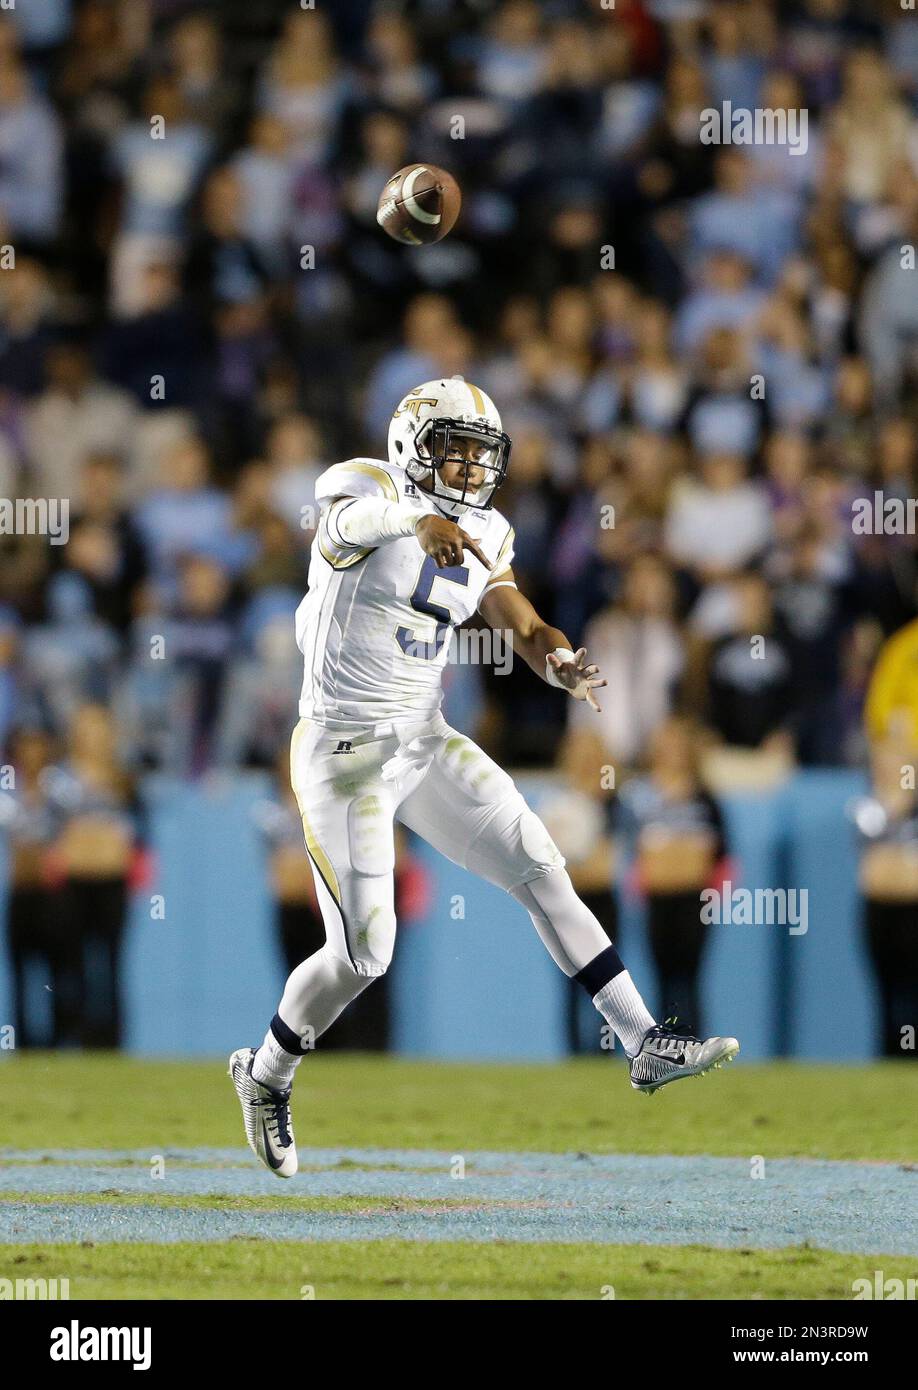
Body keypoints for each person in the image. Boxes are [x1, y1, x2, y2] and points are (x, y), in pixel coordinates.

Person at [230, 377, 739, 1177]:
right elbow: (357, 521)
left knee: (541, 866)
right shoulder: (366, 492)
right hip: (345, 751)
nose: (469, 466)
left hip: (423, 739)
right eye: (453, 448)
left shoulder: (488, 531)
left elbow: (524, 623)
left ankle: (642, 1039)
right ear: (410, 447)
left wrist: (559, 661)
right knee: (364, 956)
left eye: (479, 452)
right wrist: (417, 517)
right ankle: (265, 1075)